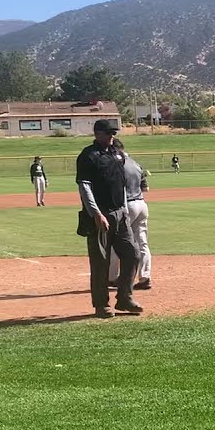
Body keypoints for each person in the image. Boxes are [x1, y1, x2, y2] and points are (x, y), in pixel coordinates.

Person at [76, 119, 142, 318]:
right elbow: (84, 187)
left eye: (113, 133)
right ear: (98, 134)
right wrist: (96, 213)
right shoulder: (89, 156)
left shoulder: (116, 154)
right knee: (100, 262)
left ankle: (124, 298)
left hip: (120, 213)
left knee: (132, 255)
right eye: (108, 133)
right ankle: (101, 305)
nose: (112, 137)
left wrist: (124, 209)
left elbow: (120, 184)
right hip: (100, 215)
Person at [108, 141, 152, 291]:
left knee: (115, 241)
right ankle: (145, 277)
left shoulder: (118, 165)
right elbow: (145, 188)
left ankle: (113, 277)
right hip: (141, 204)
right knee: (142, 243)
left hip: (127, 205)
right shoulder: (136, 164)